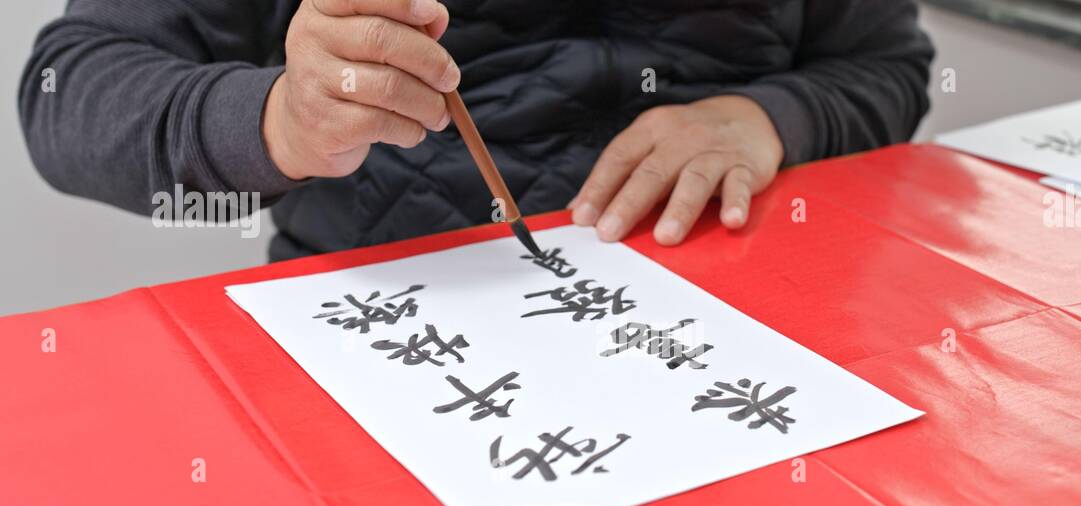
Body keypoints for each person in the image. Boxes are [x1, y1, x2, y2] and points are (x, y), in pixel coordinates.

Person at [19, 0, 933, 261]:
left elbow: (887, 65)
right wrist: (278, 119)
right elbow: (67, 92)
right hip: (402, 336)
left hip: (743, 323)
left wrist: (770, 117)